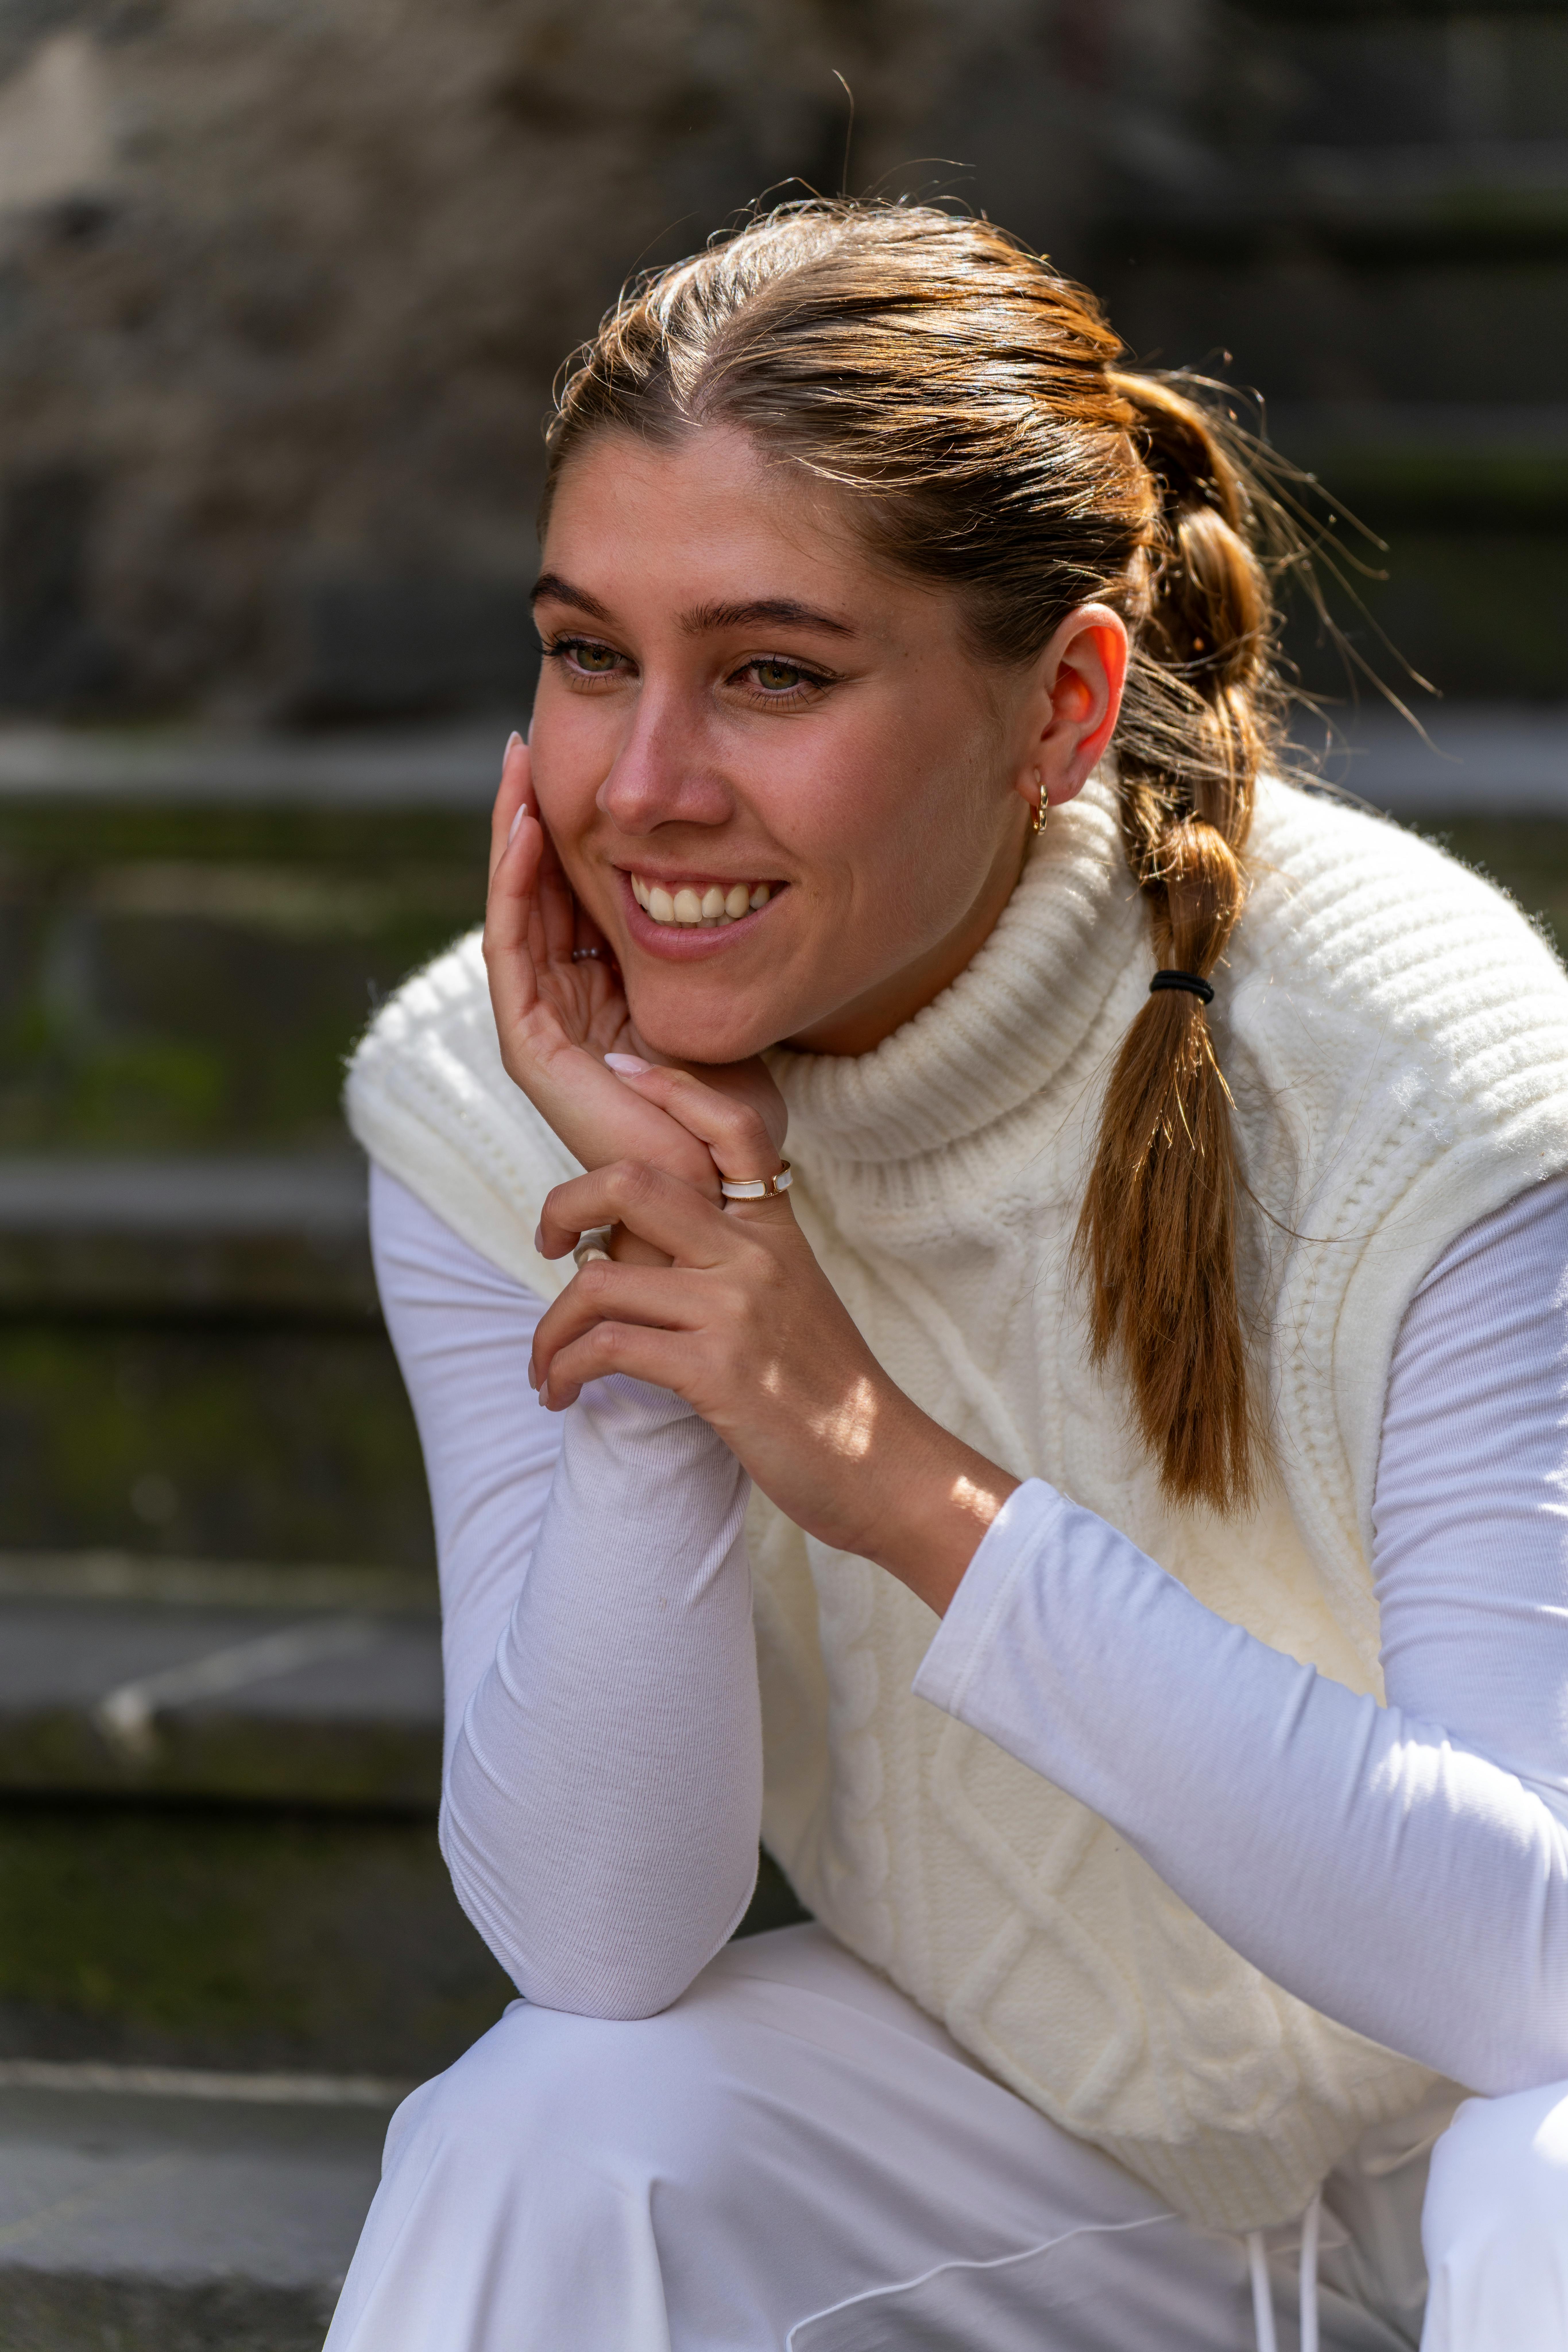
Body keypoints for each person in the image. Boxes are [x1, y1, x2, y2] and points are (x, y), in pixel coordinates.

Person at [326, 203, 1568, 2351]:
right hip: (1053, 2175)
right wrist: (662, 1317)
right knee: (557, 2133)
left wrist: (898, 1482)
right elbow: (597, 1942)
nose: (642, 789)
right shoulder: (485, 1091)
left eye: (772, 673)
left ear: (1062, 707)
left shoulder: (1411, 1060)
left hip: (1488, 2143)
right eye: (590, 655)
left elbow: (1533, 1973)